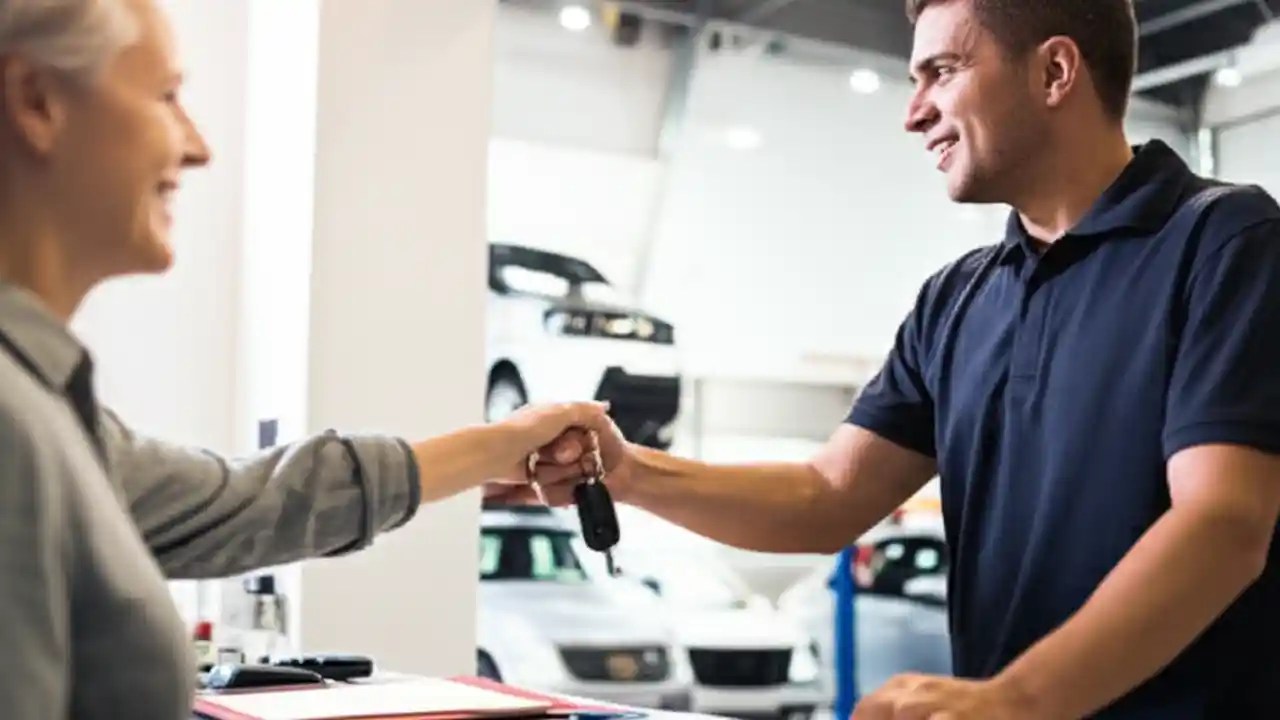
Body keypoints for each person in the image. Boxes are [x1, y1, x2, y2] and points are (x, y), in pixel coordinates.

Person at [508, 0, 1280, 717]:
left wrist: (1014, 701)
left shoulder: (1224, 242)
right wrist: (631, 471)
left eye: (942, 72)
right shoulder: (958, 300)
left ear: (1054, 72)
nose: (914, 114)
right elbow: (827, 495)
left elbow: (1223, 520)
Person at [0, 0, 608, 718]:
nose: (198, 146)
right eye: (166, 96)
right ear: (37, 101)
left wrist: (493, 449)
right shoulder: (14, 424)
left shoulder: (46, 408)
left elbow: (246, 500)